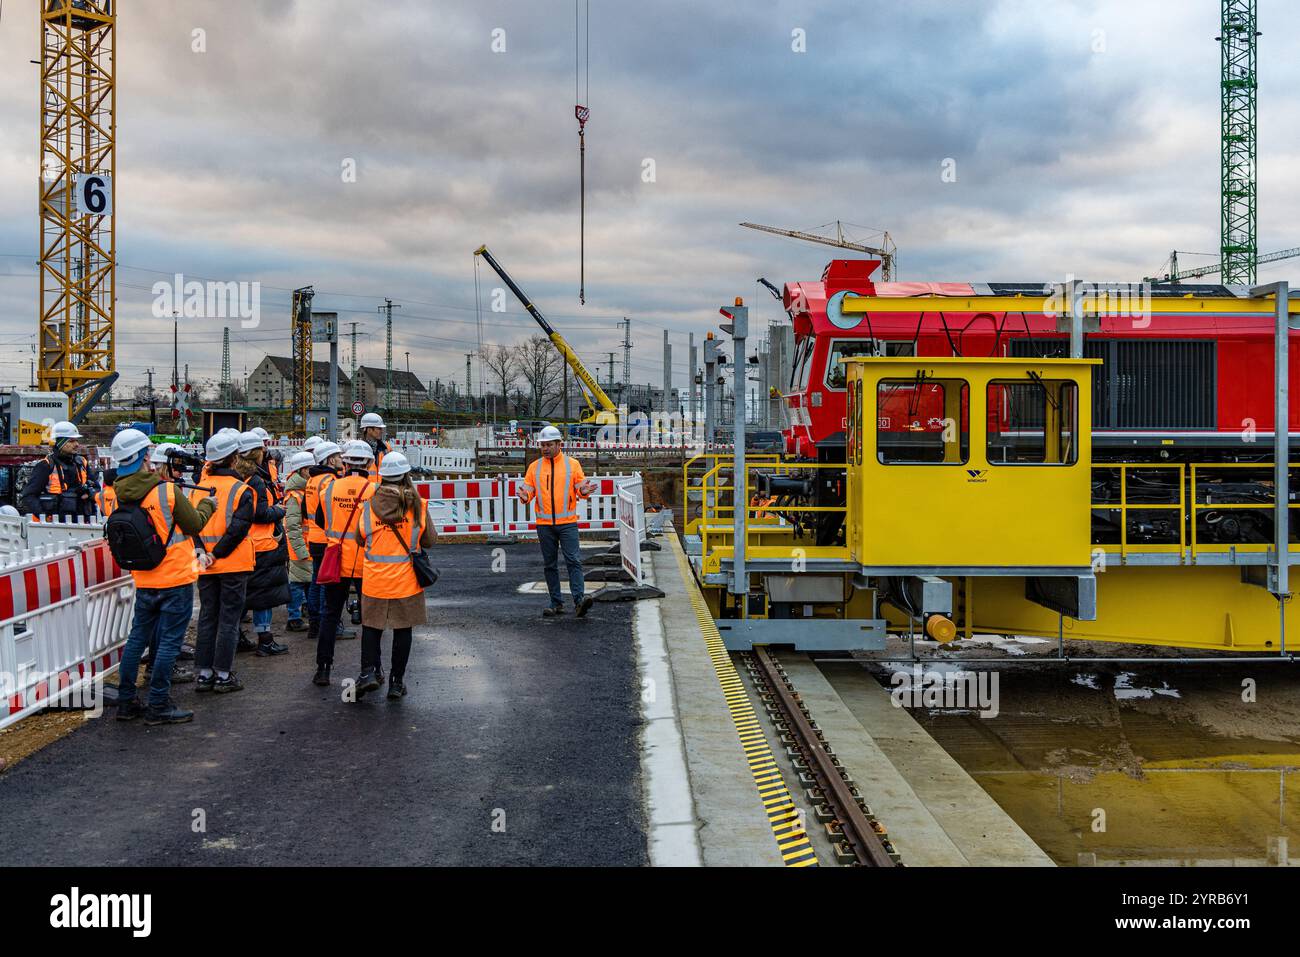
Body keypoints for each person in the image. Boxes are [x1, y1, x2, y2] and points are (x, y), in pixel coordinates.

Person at [111, 429, 216, 725]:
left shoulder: (118, 492)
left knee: (136, 640)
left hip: (144, 579)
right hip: (175, 579)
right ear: (145, 457)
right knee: (169, 642)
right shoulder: (166, 491)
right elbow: (195, 522)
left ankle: (126, 702)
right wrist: (208, 504)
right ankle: (158, 704)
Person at [354, 451, 436, 700]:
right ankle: (396, 682)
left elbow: (359, 538)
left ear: (382, 476)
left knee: (371, 627)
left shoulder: (369, 507)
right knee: (403, 630)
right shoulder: (417, 507)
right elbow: (430, 540)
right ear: (405, 475)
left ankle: (368, 673)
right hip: (406, 581)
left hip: (375, 580)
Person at [192, 431, 257, 694]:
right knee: (229, 620)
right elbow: (237, 531)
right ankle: (222, 675)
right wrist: (216, 554)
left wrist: (202, 552)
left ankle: (204, 674)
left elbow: (192, 525)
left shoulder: (199, 489)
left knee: (208, 617)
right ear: (233, 459)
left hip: (204, 564)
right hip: (232, 564)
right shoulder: (242, 490)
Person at [312, 440, 375, 686]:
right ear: (369, 463)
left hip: (336, 560)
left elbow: (320, 520)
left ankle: (323, 669)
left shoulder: (329, 489)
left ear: (346, 463)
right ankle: (371, 670)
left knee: (330, 614)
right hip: (366, 562)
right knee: (371, 619)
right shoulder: (374, 490)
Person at [517, 425, 597, 617]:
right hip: (545, 525)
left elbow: (580, 488)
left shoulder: (572, 465)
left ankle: (579, 601)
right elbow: (529, 491)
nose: (545, 448)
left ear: (559, 444)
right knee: (550, 564)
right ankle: (556, 603)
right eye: (542, 445)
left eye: (549, 445)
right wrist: (525, 497)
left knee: (573, 561)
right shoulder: (534, 468)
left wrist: (583, 492)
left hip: (567, 523)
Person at [235, 431, 289, 656]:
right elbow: (259, 513)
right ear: (256, 453)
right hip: (262, 544)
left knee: (244, 594)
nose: (265, 451)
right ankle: (265, 640)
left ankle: (237, 636)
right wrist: (278, 510)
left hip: (244, 543)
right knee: (263, 597)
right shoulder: (256, 479)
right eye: (262, 449)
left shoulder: (237, 476)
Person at [303, 441, 343, 645]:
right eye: (337, 456)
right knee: (325, 584)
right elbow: (330, 510)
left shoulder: (312, 479)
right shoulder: (329, 480)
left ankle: (314, 623)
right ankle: (326, 624)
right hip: (326, 538)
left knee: (315, 581)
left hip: (313, 537)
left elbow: (306, 510)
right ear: (329, 459)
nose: (341, 459)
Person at [20, 421, 98, 520]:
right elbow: (28, 496)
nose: (77, 444)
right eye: (71, 441)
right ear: (60, 442)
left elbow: (97, 488)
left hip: (83, 521)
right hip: (56, 524)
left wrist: (89, 493)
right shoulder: (46, 466)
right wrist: (45, 517)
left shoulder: (82, 463)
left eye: (76, 440)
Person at [281, 451, 316, 633]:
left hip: (305, 545)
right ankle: (294, 618)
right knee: (297, 584)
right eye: (310, 469)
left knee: (305, 582)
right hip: (300, 547)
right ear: (302, 470)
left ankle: (301, 614)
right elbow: (293, 526)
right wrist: (301, 549)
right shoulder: (295, 495)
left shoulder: (302, 491)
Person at [359, 412, 391, 482]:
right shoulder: (358, 449)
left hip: (382, 490)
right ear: (369, 430)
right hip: (366, 490)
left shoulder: (386, 448)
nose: (381, 431)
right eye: (379, 428)